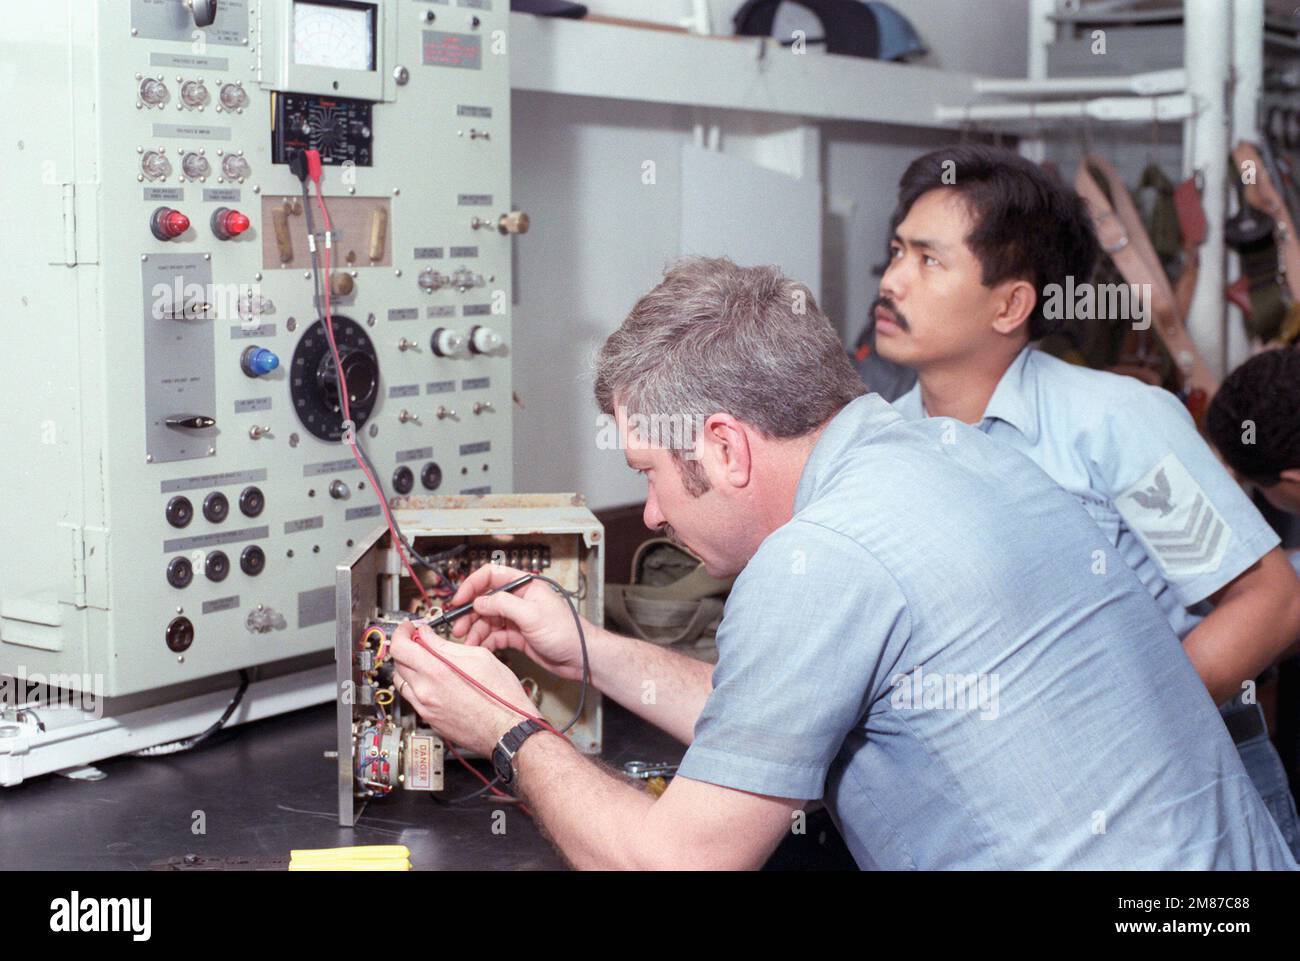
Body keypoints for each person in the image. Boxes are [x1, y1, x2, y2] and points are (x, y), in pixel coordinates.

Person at [388, 257, 1295, 869]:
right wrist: (586, 647)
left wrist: (505, 726)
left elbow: (681, 860)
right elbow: (778, 714)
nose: (654, 511)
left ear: (726, 448)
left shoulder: (820, 556)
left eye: (650, 474)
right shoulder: (960, 452)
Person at [875, 144, 1300, 857]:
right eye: (895, 252)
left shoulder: (1110, 424)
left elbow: (1267, 602)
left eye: (928, 260)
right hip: (1016, 804)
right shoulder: (885, 443)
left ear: (1011, 303)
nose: (891, 280)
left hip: (1188, 791)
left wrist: (1113, 731)